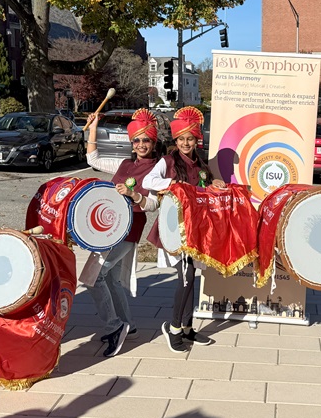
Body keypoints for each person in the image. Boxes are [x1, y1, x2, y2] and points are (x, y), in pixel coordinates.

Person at [82, 109, 164, 357]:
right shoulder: (125, 164)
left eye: (146, 140)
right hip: (109, 228)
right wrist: (94, 126)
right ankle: (130, 325)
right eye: (137, 140)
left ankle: (115, 326)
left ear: (154, 142)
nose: (141, 144)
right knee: (111, 279)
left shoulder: (158, 169)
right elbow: (93, 159)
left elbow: (153, 204)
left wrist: (132, 195)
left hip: (128, 229)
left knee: (93, 278)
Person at [143, 106, 225, 353]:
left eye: (190, 139)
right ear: (175, 141)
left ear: (196, 140)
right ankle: (174, 327)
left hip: (195, 228)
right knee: (186, 277)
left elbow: (203, 189)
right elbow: (148, 181)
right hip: (175, 229)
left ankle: (188, 328)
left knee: (192, 278)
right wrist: (172, 183)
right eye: (182, 139)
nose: (186, 143)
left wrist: (214, 183)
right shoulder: (167, 162)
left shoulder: (200, 163)